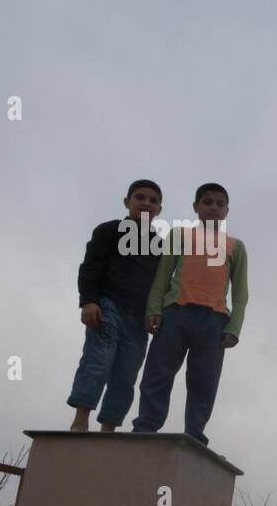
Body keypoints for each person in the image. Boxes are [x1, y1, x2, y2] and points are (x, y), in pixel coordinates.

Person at [132, 183, 249, 446]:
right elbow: (162, 277)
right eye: (207, 202)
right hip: (176, 313)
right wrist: (153, 309)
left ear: (227, 211)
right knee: (158, 372)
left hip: (214, 321)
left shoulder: (235, 246)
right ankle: (145, 427)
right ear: (196, 207)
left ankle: (194, 432)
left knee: (204, 381)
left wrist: (234, 326)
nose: (213, 207)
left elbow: (241, 293)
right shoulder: (179, 235)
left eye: (220, 204)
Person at [67, 180, 165, 432]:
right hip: (108, 305)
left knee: (126, 373)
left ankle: (108, 428)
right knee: (98, 360)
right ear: (127, 202)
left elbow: (161, 283)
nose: (146, 203)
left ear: (159, 209)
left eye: (153, 200)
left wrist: (156, 312)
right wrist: (88, 301)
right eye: (140, 197)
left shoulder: (160, 246)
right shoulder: (109, 230)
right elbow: (90, 266)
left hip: (138, 317)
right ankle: (81, 419)